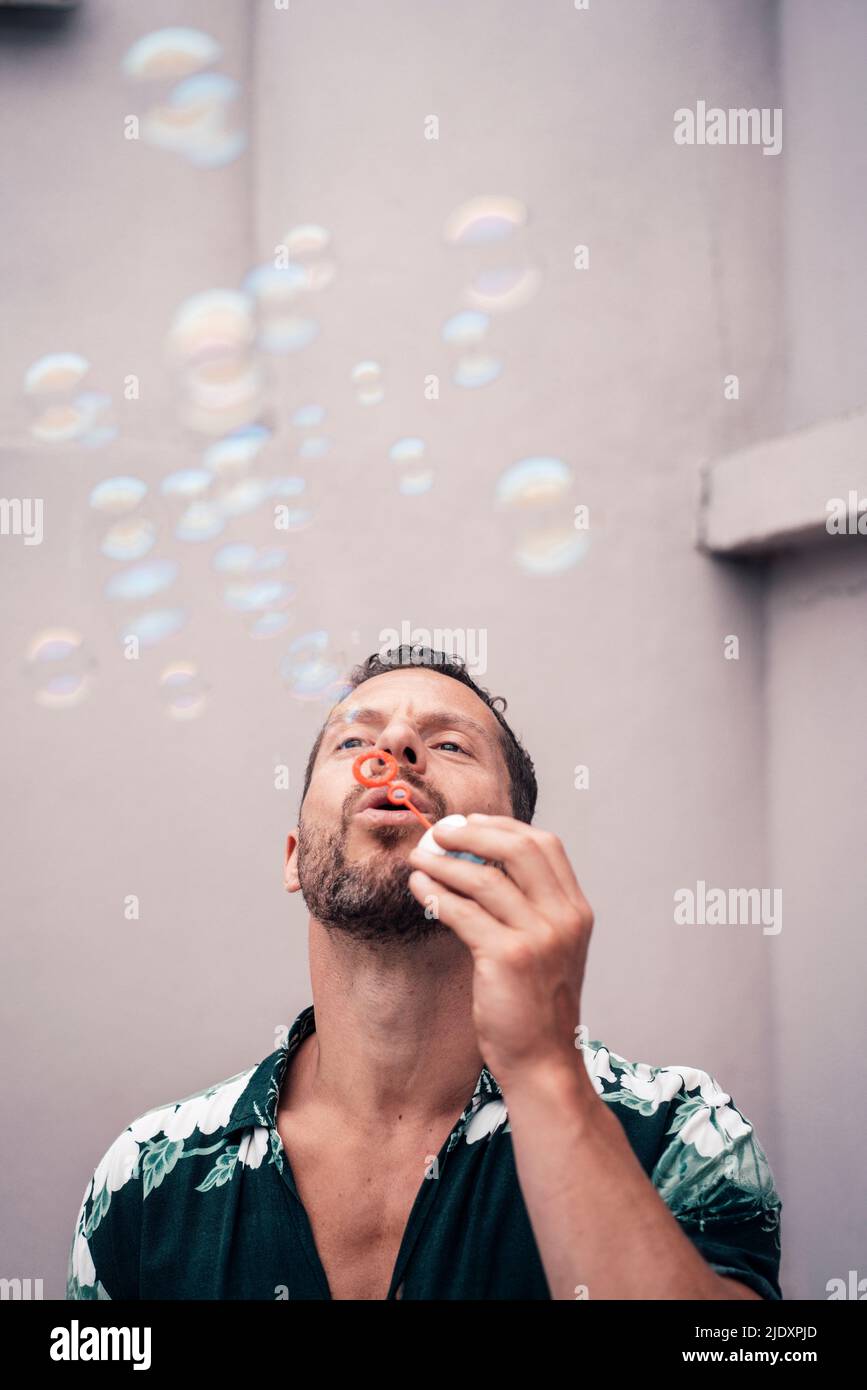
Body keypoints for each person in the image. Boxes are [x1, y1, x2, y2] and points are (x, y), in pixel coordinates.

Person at [67, 645, 783, 1300]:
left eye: (447, 744)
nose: (393, 747)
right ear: (294, 856)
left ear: (512, 850)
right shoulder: (147, 1172)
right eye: (353, 740)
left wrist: (540, 1067)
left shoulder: (678, 1130)